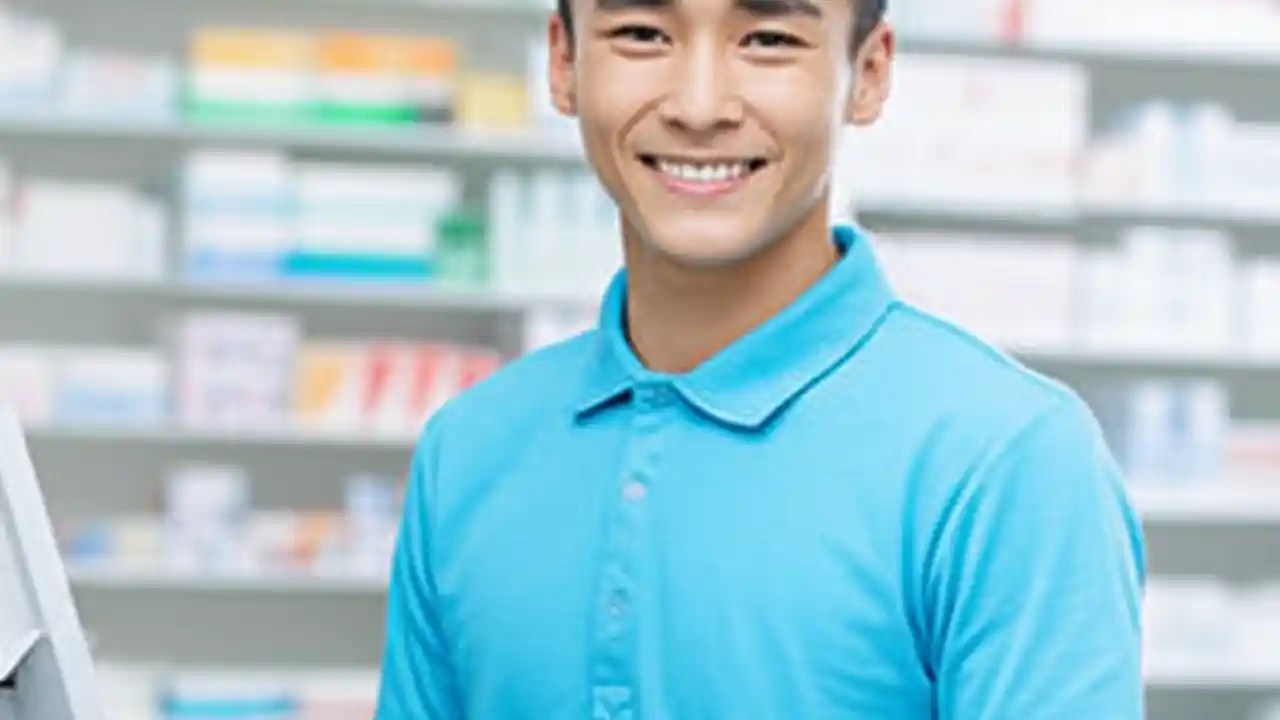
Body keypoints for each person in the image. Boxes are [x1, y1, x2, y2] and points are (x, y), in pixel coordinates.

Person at [376, 0, 1146, 717]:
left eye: (768, 39)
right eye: (643, 33)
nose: (699, 105)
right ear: (564, 62)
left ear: (868, 74)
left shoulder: (1004, 461)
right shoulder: (470, 449)